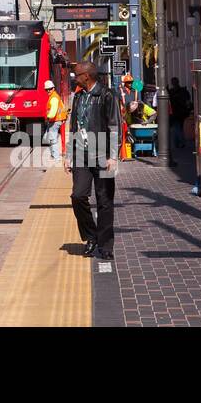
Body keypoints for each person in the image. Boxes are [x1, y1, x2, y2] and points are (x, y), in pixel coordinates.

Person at [66, 62, 121, 259]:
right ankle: (91, 236)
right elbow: (73, 127)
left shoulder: (106, 95)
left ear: (87, 76)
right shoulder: (79, 97)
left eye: (77, 74)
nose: (75, 77)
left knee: (104, 201)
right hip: (81, 154)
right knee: (78, 196)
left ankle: (106, 246)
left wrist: (113, 155)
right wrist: (69, 155)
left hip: (103, 154)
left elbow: (114, 125)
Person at [167, 77, 194, 152]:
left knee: (176, 127)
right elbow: (188, 101)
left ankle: (179, 142)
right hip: (181, 112)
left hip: (177, 112)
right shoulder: (183, 91)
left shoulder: (172, 92)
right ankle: (179, 142)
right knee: (178, 127)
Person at [43, 80, 67, 164]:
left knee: (52, 139)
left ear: (53, 88)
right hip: (56, 120)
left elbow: (53, 111)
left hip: (55, 120)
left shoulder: (54, 98)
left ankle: (56, 157)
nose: (48, 91)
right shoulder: (54, 96)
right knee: (48, 137)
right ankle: (53, 155)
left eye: (50, 89)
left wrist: (48, 117)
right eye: (47, 89)